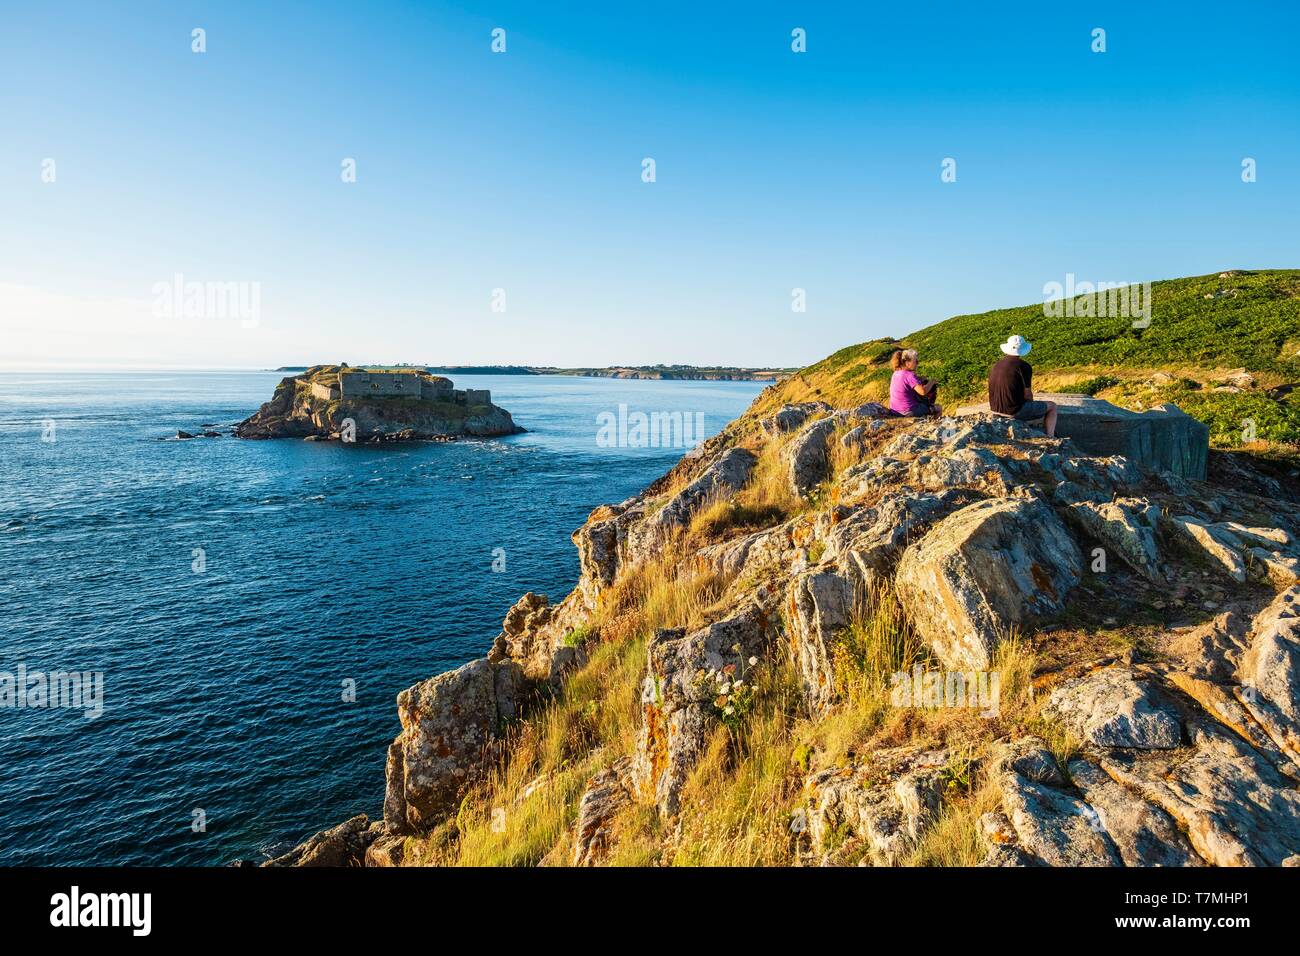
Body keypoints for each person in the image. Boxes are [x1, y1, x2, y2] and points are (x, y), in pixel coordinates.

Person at [988, 334, 1057, 437]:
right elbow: (1028, 395)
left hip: (994, 409)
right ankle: (1050, 436)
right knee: (1052, 406)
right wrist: (1031, 406)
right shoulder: (1024, 366)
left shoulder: (997, 365)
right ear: (1023, 349)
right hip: (1013, 412)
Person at [888, 349, 942, 417]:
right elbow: (923, 391)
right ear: (907, 362)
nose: (917, 363)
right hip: (908, 411)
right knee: (938, 408)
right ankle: (933, 425)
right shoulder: (909, 375)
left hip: (895, 410)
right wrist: (932, 381)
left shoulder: (896, 373)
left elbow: (905, 381)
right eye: (915, 361)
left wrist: (919, 379)